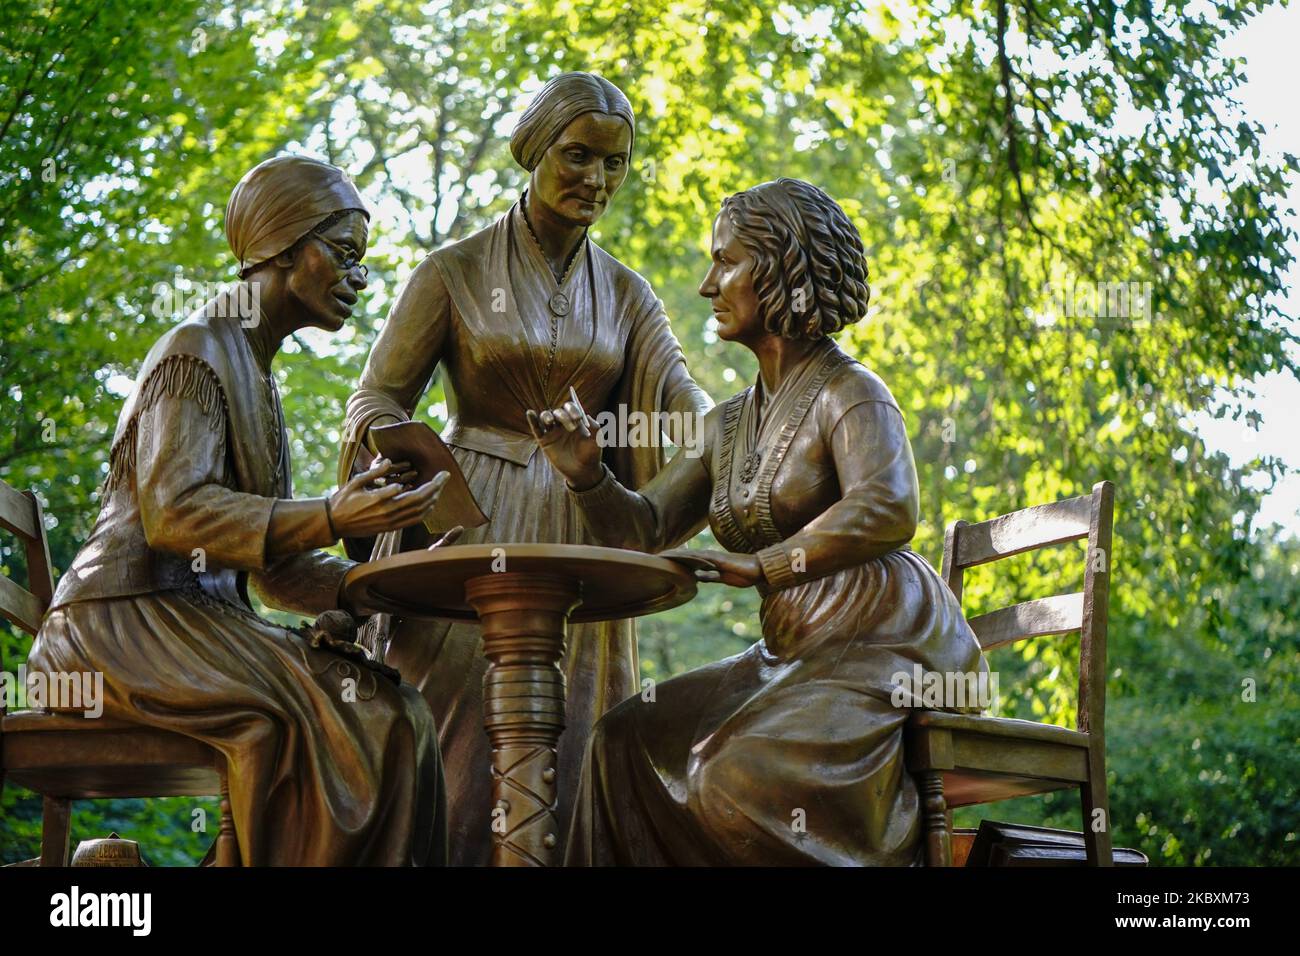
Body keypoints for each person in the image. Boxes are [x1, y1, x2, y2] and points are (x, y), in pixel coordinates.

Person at [528, 178, 987, 865]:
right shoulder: (728, 424)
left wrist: (765, 566)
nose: (709, 284)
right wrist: (586, 473)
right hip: (791, 651)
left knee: (733, 776)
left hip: (883, 645)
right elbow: (646, 527)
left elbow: (890, 506)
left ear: (782, 272)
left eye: (726, 261)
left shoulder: (852, 391)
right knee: (621, 741)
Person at [28, 155, 448, 866]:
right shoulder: (195, 352)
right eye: (344, 254)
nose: (357, 279)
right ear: (283, 247)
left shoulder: (257, 374)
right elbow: (175, 516)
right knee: (294, 717)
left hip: (196, 620)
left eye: (362, 263)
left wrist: (376, 585)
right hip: (119, 622)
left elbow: (276, 572)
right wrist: (332, 515)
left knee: (396, 711)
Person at [339, 72, 712, 864]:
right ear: (534, 150)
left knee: (576, 734)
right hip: (468, 529)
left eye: (615, 165)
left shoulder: (627, 294)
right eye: (577, 156)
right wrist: (407, 458)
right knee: (450, 732)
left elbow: (685, 407)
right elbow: (374, 396)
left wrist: (749, 425)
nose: (596, 180)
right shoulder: (453, 270)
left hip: (584, 533)